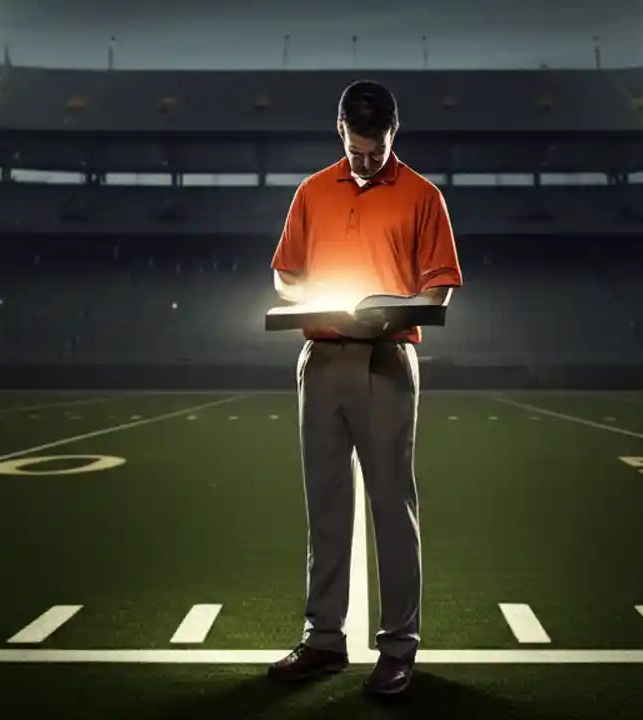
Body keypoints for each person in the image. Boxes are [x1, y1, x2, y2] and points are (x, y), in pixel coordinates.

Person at [265, 79, 462, 696]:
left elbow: (440, 287)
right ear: (341, 133)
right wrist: (318, 300)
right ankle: (324, 639)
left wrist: (397, 309)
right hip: (320, 357)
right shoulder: (312, 190)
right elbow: (284, 279)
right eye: (355, 149)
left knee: (391, 508)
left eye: (375, 150)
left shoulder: (423, 195)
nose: (365, 160)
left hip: (386, 358)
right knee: (324, 505)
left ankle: (399, 648)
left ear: (393, 134)